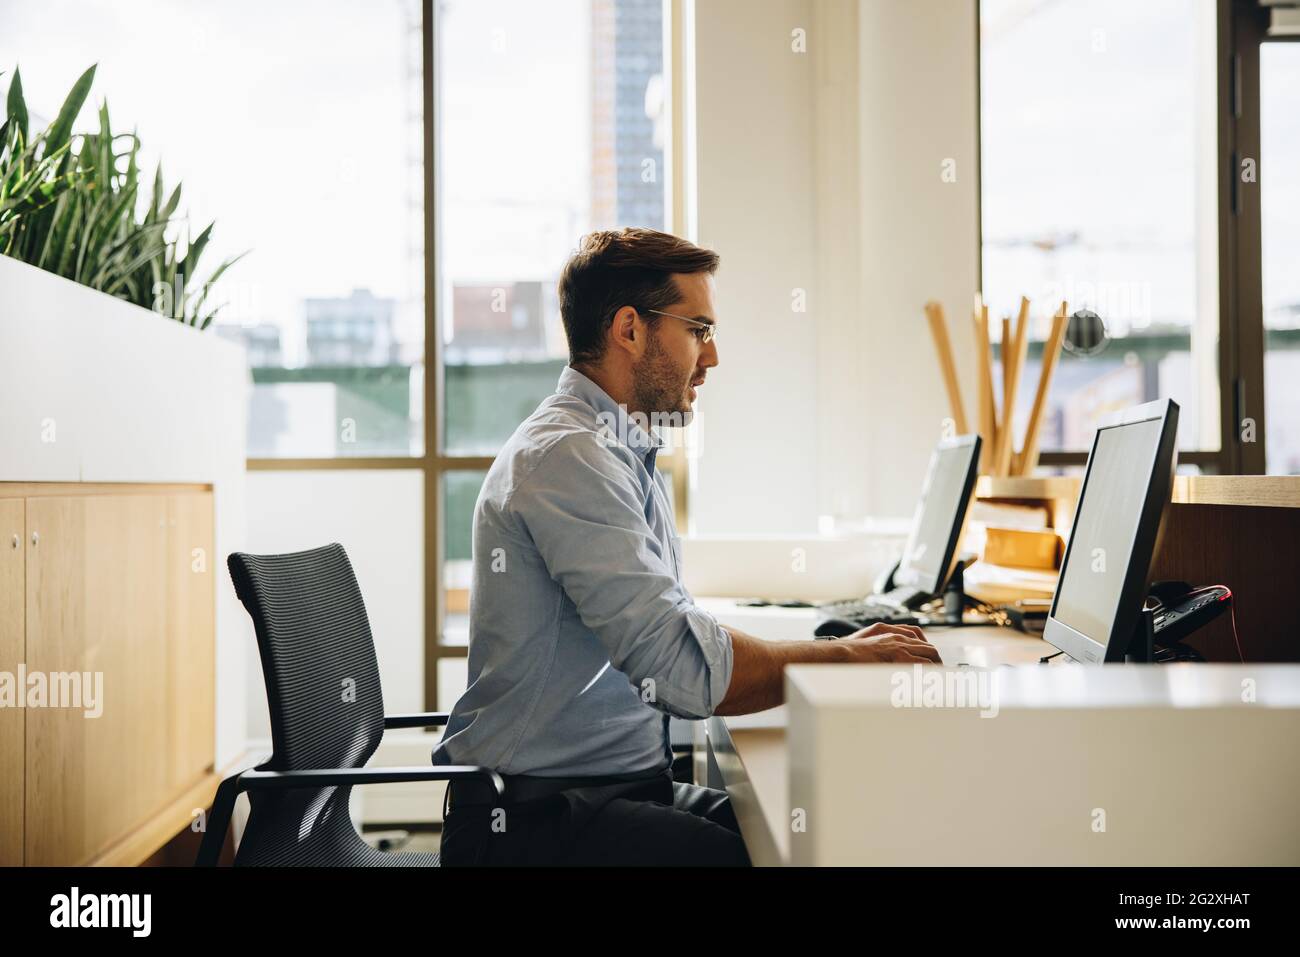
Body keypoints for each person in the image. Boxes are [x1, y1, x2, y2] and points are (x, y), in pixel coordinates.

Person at [433, 227, 941, 866]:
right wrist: (839, 659)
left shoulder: (620, 452)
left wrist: (829, 652)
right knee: (780, 854)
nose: (713, 357)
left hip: (606, 792)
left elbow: (670, 628)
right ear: (630, 329)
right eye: (698, 330)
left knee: (823, 833)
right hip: (532, 822)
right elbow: (676, 667)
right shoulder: (570, 458)